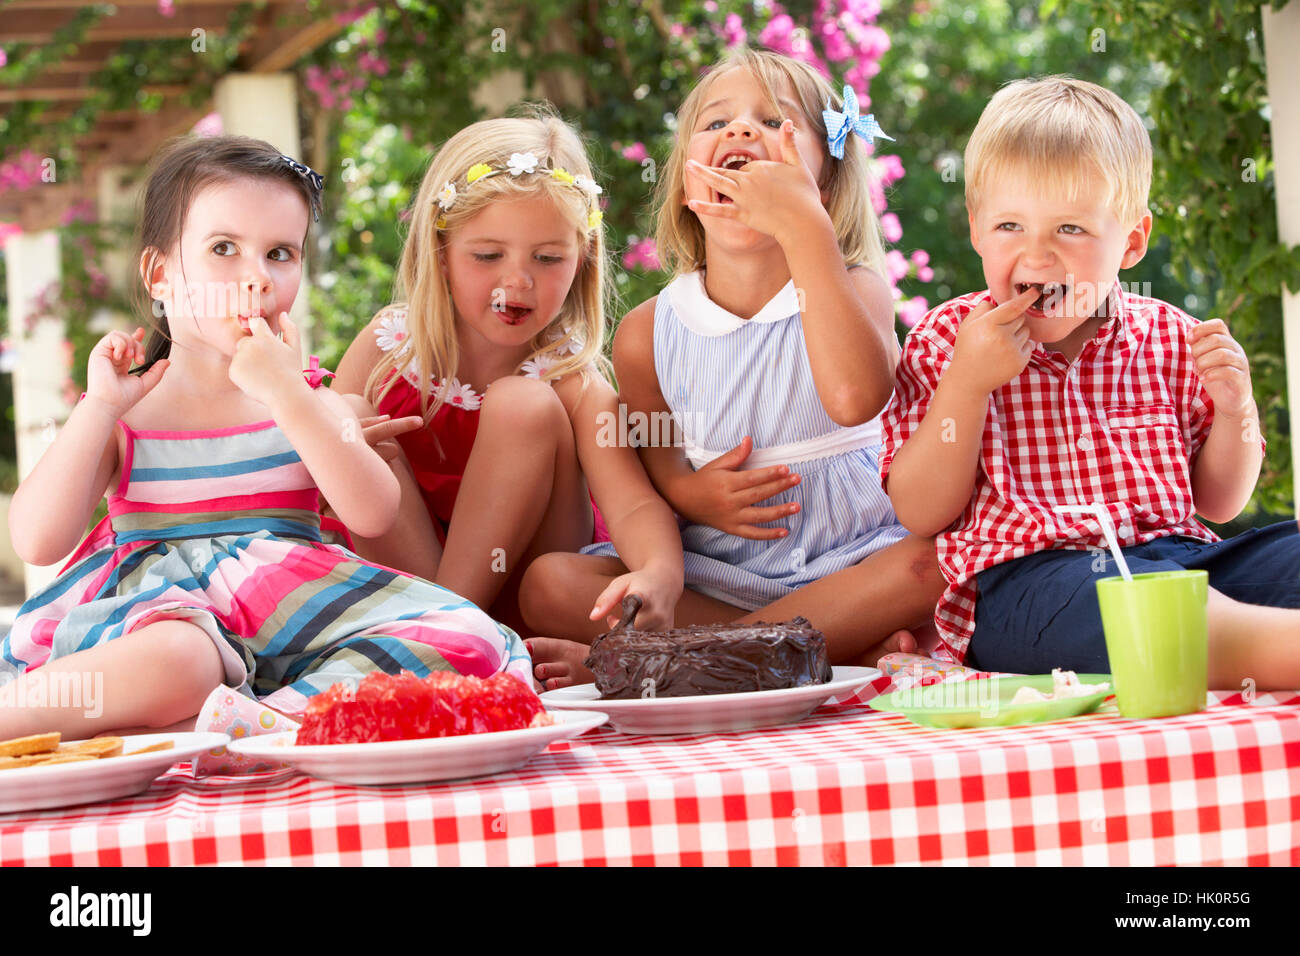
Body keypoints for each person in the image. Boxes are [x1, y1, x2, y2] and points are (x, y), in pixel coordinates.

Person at [0, 135, 533, 740]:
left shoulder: (306, 394)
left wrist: (288, 396)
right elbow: (38, 540)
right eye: (223, 248)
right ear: (159, 274)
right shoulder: (129, 408)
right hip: (156, 626)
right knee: (185, 659)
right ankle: (21, 717)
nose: (255, 277)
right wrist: (97, 409)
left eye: (280, 253)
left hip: (295, 622)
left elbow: (374, 510)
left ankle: (262, 719)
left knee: (467, 637)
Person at [522, 48, 948, 689]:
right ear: (688, 185)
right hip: (722, 576)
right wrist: (691, 493)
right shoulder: (648, 332)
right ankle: (809, 653)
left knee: (934, 564)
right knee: (549, 583)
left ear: (825, 187)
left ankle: (686, 663)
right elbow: (659, 460)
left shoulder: (853, 288)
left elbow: (857, 398)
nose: (742, 130)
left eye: (774, 121)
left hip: (853, 561)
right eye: (717, 122)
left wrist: (805, 229)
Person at [881, 76, 1300, 689]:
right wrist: (967, 386)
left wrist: (1236, 412)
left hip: (1185, 559)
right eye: (1009, 227)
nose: (1038, 255)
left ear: (1131, 241)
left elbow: (1219, 503)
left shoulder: (1170, 337)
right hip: (1032, 585)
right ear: (975, 228)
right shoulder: (948, 339)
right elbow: (920, 511)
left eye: (1070, 230)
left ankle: (1243, 634)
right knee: (1142, 609)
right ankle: (1268, 645)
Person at [331, 110, 684, 638]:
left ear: (582, 259)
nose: (516, 281)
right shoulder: (389, 347)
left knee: (524, 404)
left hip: (524, 605)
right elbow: (311, 478)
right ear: (442, 250)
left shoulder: (573, 383)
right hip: (406, 601)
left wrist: (659, 573)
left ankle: (451, 634)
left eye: (547, 258)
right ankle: (441, 635)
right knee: (346, 418)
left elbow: (633, 502)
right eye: (488, 255)